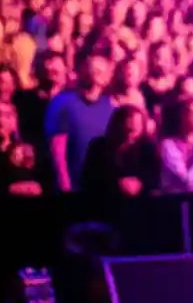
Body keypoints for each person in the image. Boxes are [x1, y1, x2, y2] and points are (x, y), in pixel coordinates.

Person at [44, 53, 115, 192]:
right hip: (73, 186)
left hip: (101, 187)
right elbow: (57, 148)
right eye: (93, 69)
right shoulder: (63, 102)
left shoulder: (110, 106)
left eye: (101, 70)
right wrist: (64, 183)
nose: (96, 73)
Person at [81, 105, 161, 198]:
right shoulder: (99, 147)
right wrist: (117, 183)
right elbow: (88, 178)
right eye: (126, 130)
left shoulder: (148, 149)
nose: (129, 135)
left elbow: (155, 178)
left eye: (134, 130)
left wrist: (140, 184)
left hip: (140, 202)